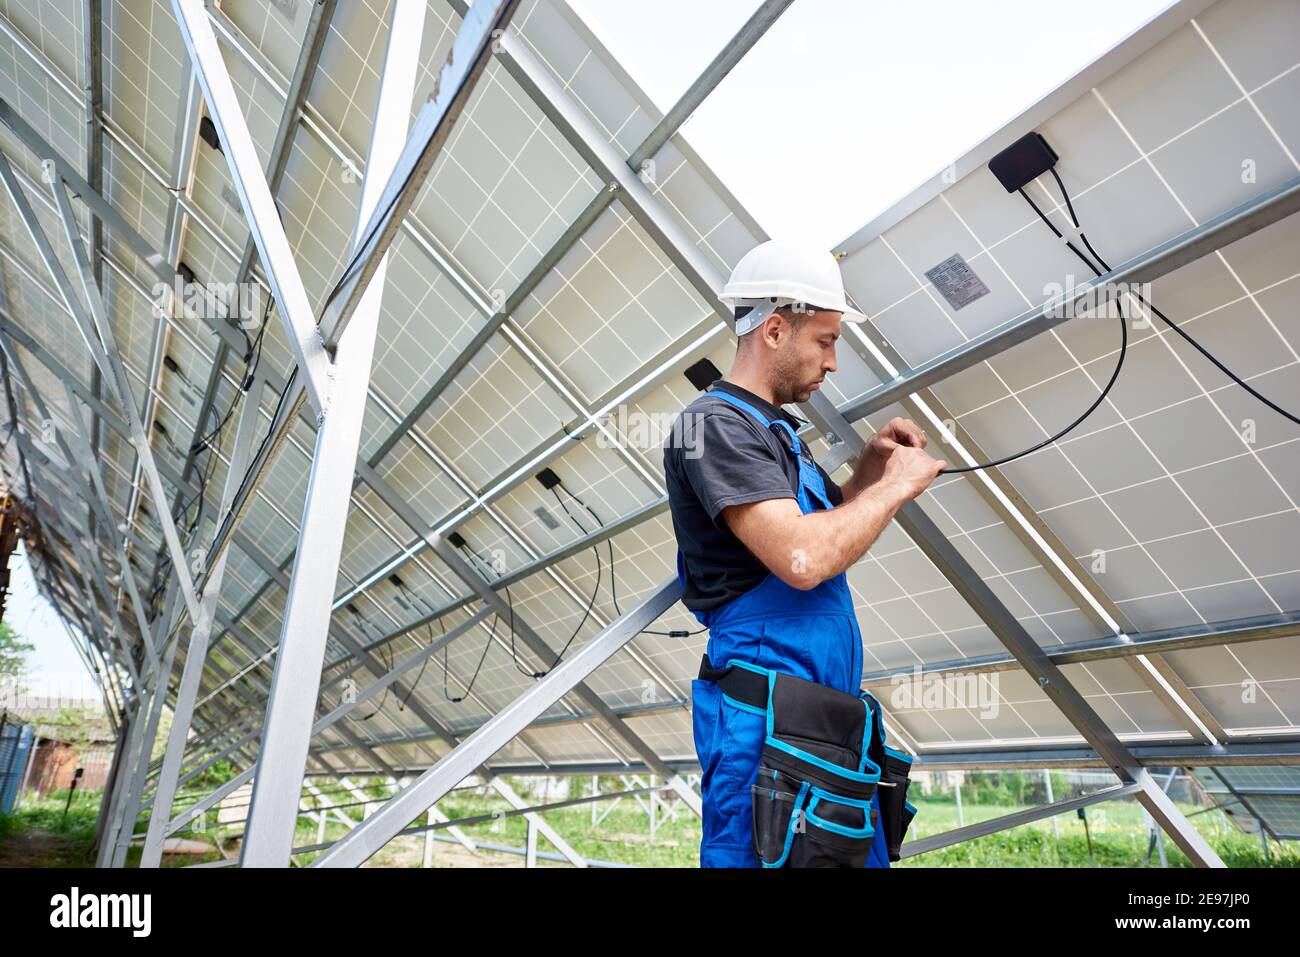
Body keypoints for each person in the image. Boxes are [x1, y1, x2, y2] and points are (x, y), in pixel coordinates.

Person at [663, 239, 946, 867]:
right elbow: (800, 559)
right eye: (824, 340)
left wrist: (870, 473)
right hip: (765, 718)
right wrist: (897, 489)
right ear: (772, 330)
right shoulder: (713, 425)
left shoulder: (775, 431)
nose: (834, 362)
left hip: (821, 712)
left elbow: (815, 526)